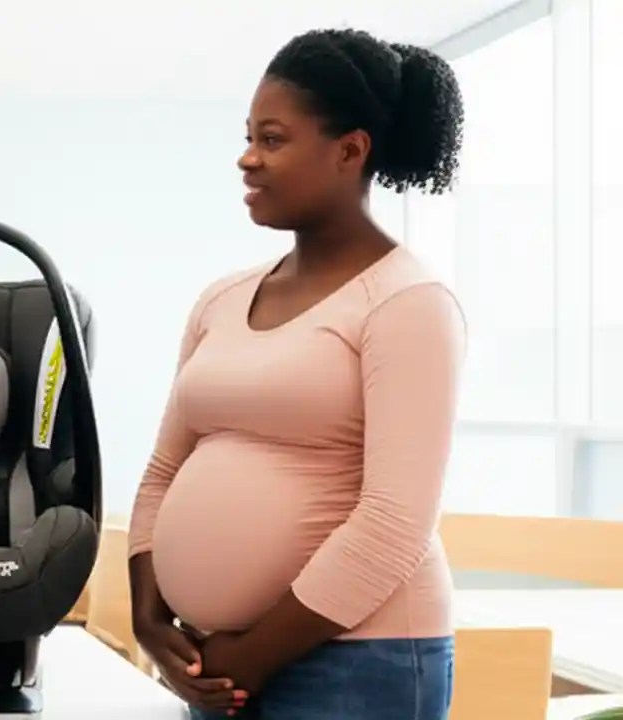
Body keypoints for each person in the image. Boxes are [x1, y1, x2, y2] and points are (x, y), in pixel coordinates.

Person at [127, 28, 466, 720]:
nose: (247, 160)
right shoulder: (221, 299)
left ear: (350, 150)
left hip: (355, 661)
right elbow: (165, 468)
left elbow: (395, 522)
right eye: (249, 137)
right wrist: (148, 619)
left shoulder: (408, 303)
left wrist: (249, 657)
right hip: (216, 663)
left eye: (273, 140)